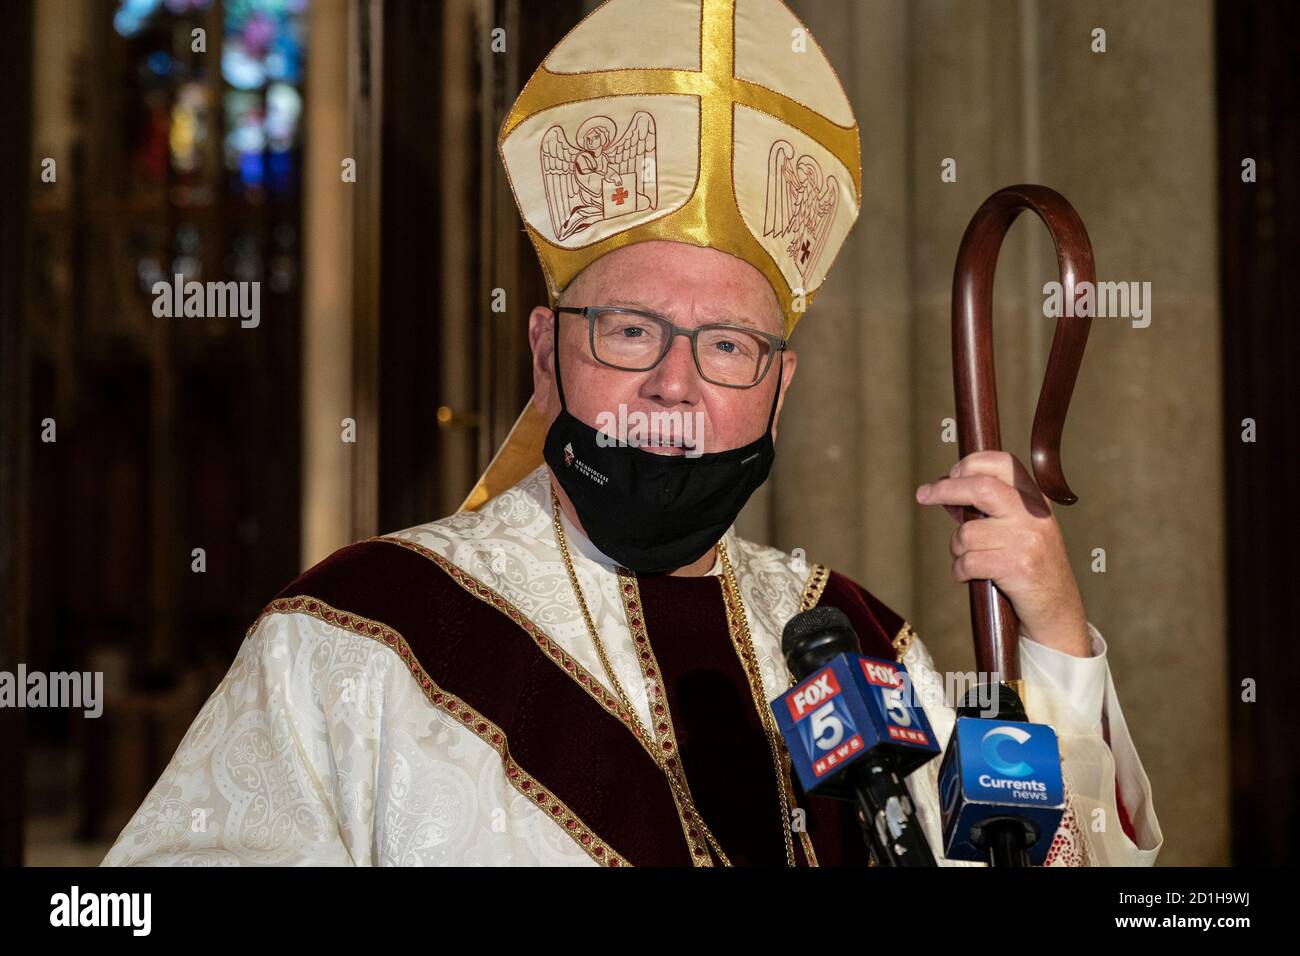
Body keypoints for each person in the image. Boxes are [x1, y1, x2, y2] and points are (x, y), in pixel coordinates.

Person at [103, 0, 1161, 867]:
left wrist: (1054, 631)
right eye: (628, 329)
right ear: (545, 354)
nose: (674, 381)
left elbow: (1053, 864)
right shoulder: (360, 633)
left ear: (778, 388)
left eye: (728, 346)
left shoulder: (853, 640)